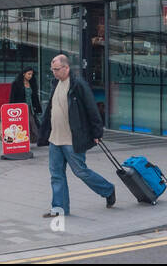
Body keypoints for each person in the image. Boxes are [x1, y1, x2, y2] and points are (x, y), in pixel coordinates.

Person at [36, 54, 116, 217]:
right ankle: (59, 209)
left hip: (72, 139)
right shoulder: (55, 83)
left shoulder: (78, 85)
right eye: (52, 70)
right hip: (55, 138)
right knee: (56, 174)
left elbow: (91, 108)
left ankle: (108, 189)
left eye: (57, 69)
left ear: (66, 68)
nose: (54, 73)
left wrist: (96, 132)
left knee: (81, 171)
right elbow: (52, 108)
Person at [8, 66, 42, 142]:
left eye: (32, 74)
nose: (30, 76)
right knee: (26, 123)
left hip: (30, 107)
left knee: (32, 122)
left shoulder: (32, 83)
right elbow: (12, 97)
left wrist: (38, 108)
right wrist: (11, 109)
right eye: (29, 74)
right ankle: (28, 139)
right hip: (20, 108)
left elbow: (35, 97)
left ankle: (32, 138)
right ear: (24, 74)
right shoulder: (16, 84)